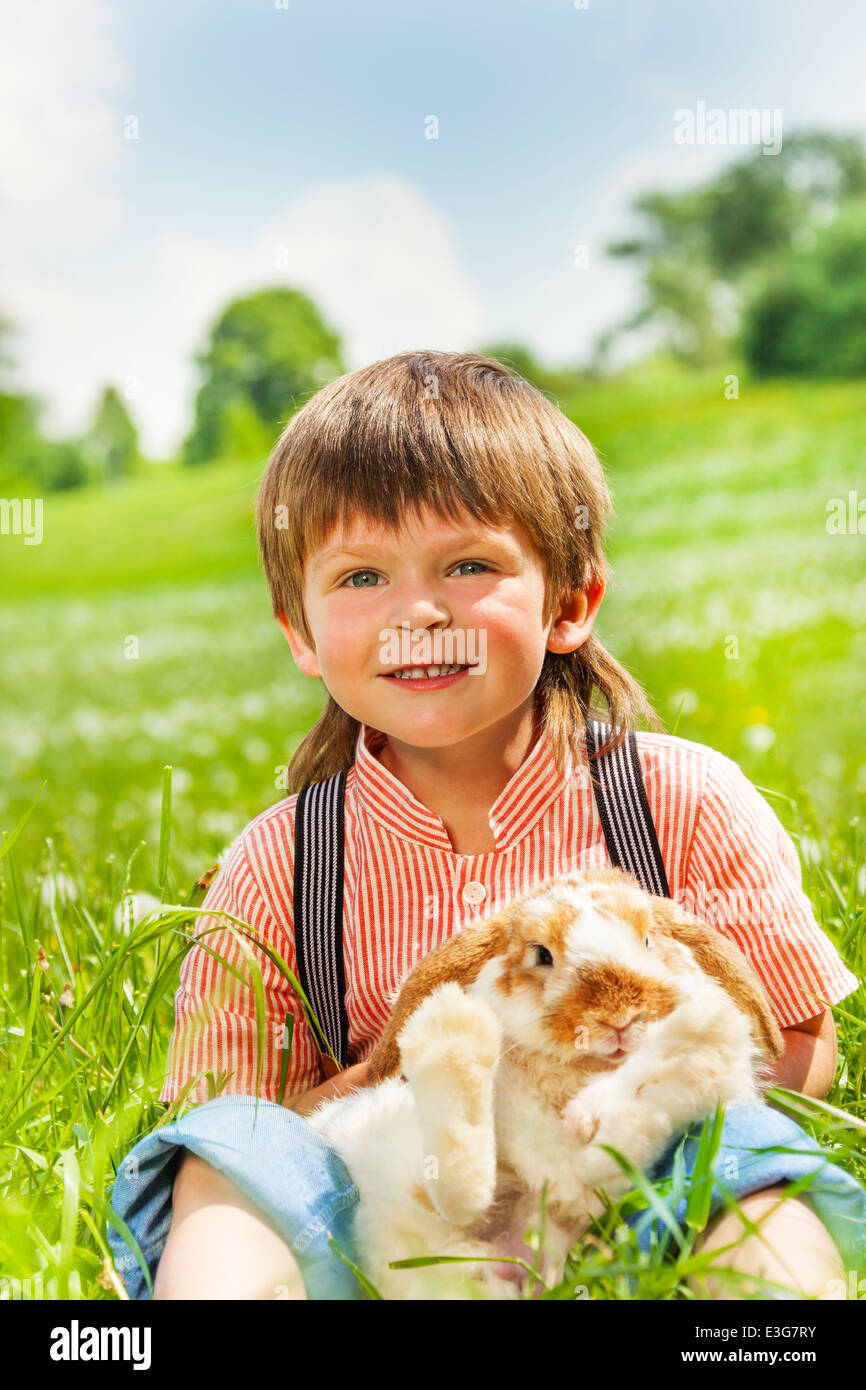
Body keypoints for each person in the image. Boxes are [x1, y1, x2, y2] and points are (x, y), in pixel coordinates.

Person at [108, 351, 864, 1301]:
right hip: (399, 1217)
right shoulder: (283, 862)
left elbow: (795, 1044)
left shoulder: (680, 801)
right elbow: (226, 1107)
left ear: (570, 602)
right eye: (360, 577)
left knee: (749, 1156)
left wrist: (622, 1104)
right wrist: (424, 1085)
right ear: (299, 630)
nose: (419, 611)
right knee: (223, 1159)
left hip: (631, 1180)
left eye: (469, 565)